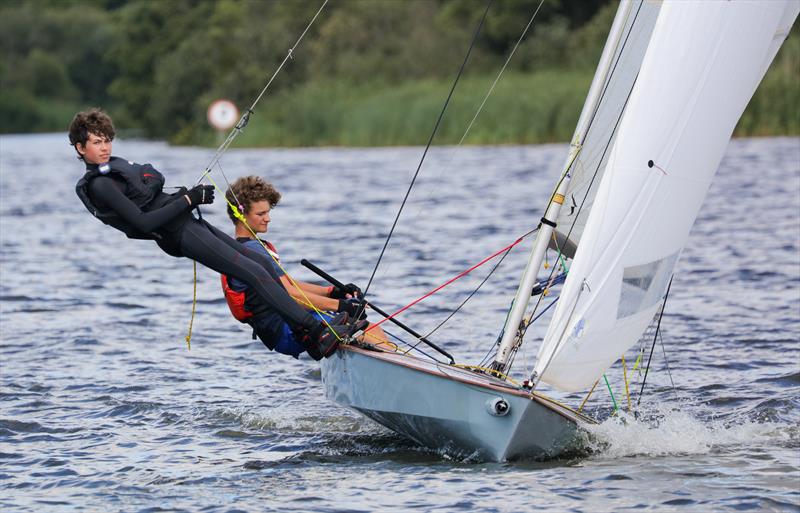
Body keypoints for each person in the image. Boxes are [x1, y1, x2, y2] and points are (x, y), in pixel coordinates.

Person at [69, 108, 363, 360]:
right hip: (178, 234)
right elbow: (144, 223)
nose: (105, 147)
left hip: (185, 223)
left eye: (107, 140)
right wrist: (189, 200)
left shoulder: (114, 169)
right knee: (252, 272)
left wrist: (182, 200)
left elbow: (150, 199)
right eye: (97, 142)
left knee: (259, 263)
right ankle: (316, 332)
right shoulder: (100, 185)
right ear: (82, 148)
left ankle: (313, 330)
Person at [221, 176, 390, 358]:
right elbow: (289, 296)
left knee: (358, 330)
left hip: (282, 329)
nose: (268, 219)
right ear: (240, 214)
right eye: (260, 214)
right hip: (287, 330)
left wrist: (332, 292)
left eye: (268, 212)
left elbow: (289, 284)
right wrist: (342, 306)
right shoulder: (253, 251)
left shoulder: (248, 246)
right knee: (371, 330)